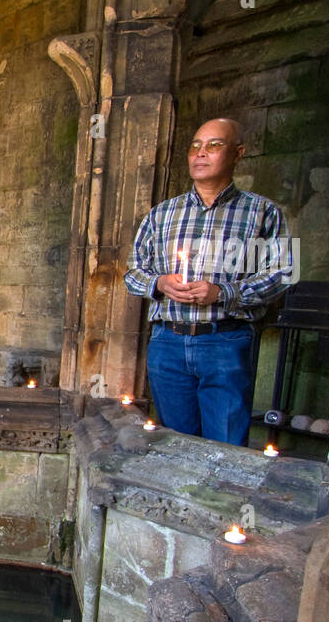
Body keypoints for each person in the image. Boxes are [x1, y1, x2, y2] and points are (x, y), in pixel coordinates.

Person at [123, 117, 295, 446]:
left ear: (237, 153)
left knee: (226, 445)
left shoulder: (263, 212)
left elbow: (284, 272)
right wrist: (159, 283)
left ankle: (224, 499)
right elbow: (133, 272)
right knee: (174, 443)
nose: (201, 154)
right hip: (167, 343)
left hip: (224, 342)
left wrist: (224, 293)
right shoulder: (161, 214)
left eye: (214, 146)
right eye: (195, 146)